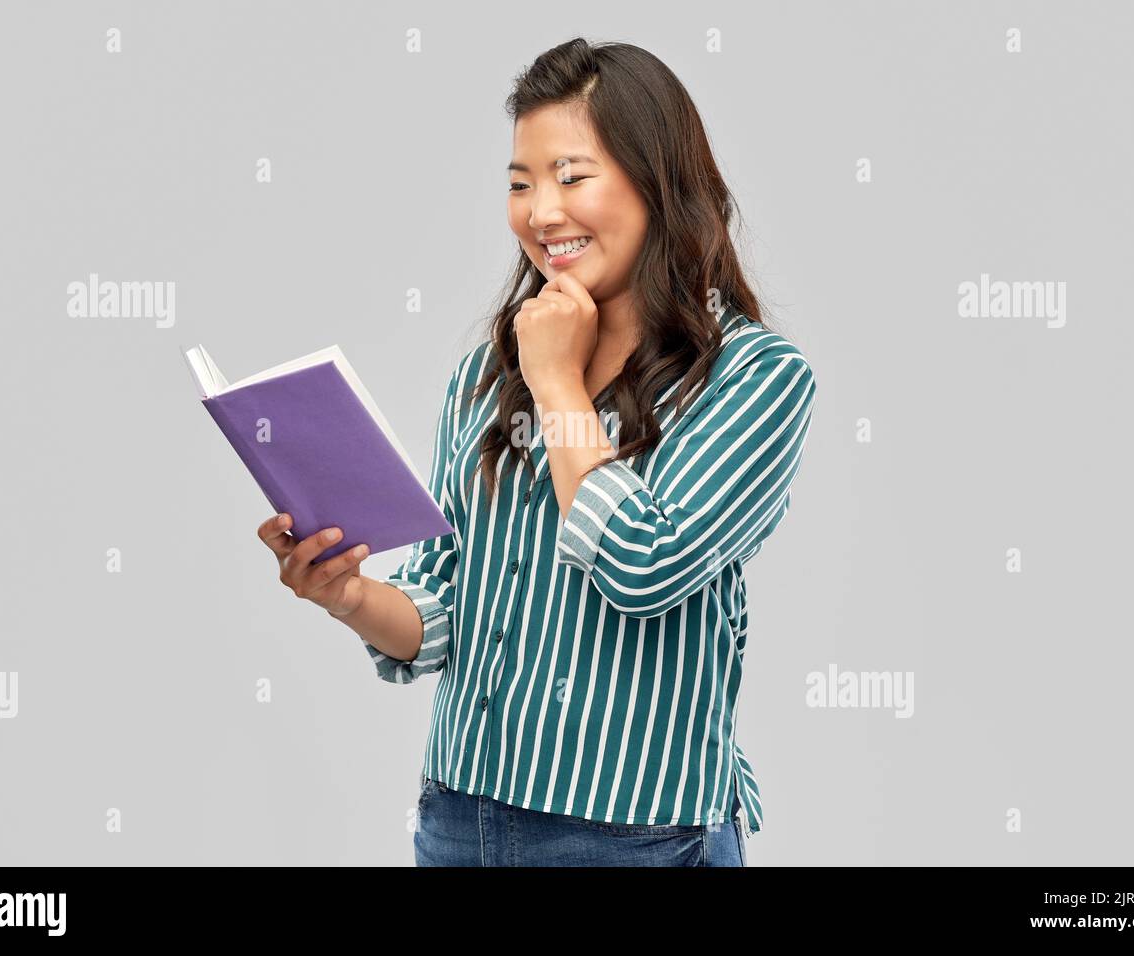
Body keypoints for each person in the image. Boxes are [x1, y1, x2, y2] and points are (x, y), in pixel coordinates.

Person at [256, 37, 816, 867]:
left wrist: (556, 383)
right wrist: (346, 594)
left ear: (657, 184)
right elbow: (449, 611)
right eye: (520, 183)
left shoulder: (755, 378)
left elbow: (642, 566)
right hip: (459, 822)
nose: (541, 212)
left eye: (571, 176)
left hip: (635, 838)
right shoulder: (487, 375)